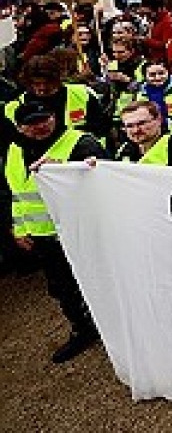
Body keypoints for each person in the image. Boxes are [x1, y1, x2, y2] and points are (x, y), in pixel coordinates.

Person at [6, 100, 107, 362]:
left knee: (98, 280)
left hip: (79, 231)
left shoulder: (80, 142)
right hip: (44, 237)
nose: (40, 126)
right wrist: (19, 228)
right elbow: (17, 192)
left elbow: (104, 176)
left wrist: (66, 170)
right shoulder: (14, 151)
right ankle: (83, 330)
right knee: (62, 288)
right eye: (31, 123)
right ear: (19, 127)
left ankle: (113, 327)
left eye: (45, 119)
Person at [4, 55, 107, 137]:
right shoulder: (16, 106)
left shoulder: (82, 94)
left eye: (47, 83)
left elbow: (101, 128)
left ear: (57, 79)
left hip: (81, 157)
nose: (42, 88)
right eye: (36, 84)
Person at [113, 100, 172, 165]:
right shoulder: (124, 150)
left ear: (159, 120)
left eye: (142, 123)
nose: (136, 130)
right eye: (130, 126)